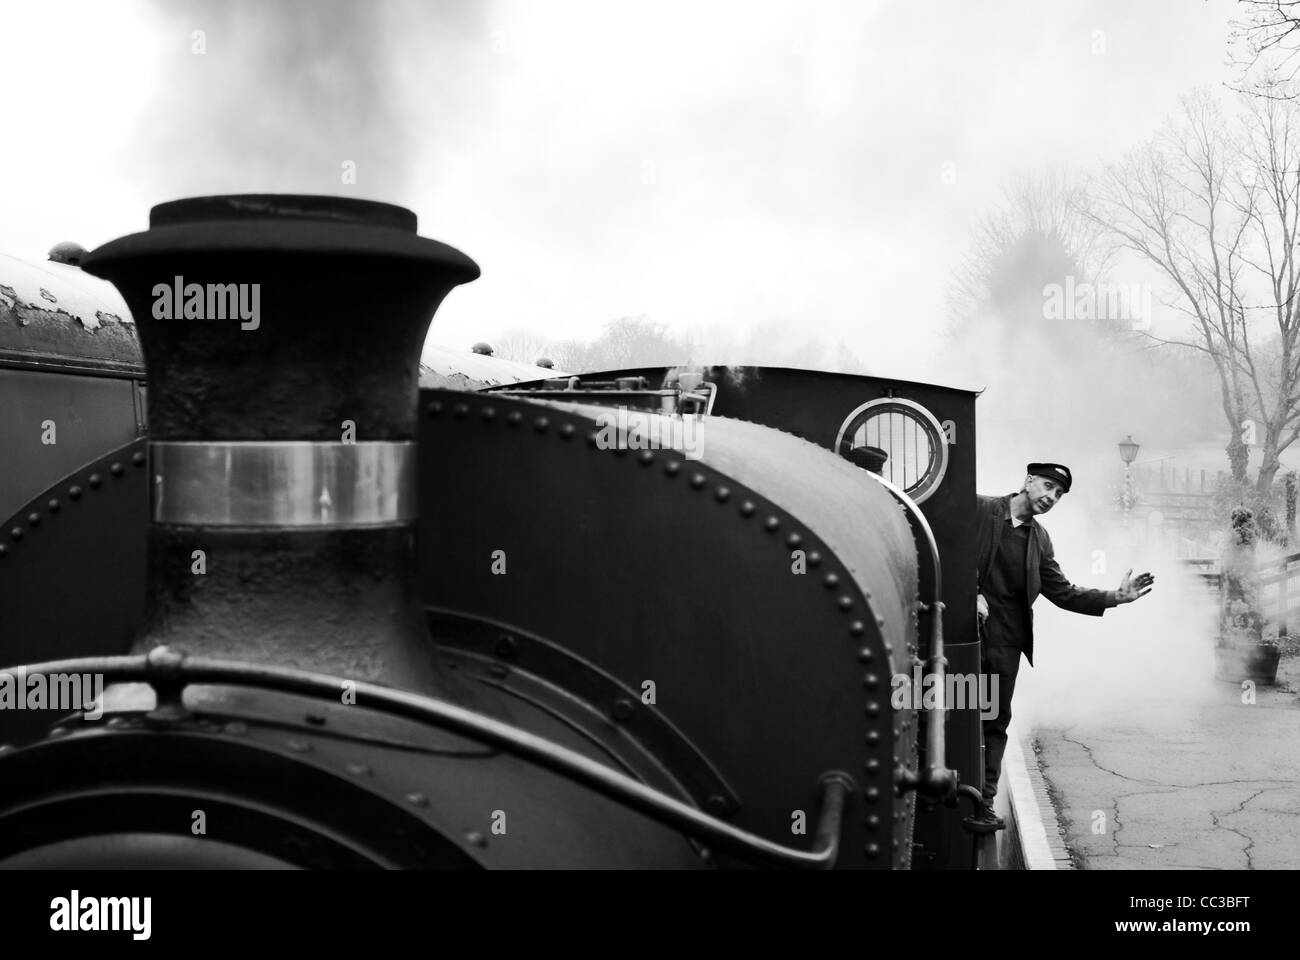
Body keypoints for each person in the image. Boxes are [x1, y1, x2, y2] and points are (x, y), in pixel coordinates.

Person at [971, 462, 1154, 831]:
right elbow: (944, 549)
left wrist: (1114, 597)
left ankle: (981, 803)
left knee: (992, 723)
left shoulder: (1040, 540)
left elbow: (1062, 592)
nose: (1051, 497)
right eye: (1048, 486)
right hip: (961, 635)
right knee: (946, 708)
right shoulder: (978, 509)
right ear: (1027, 481)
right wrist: (969, 592)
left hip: (1003, 647)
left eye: (1058, 494)